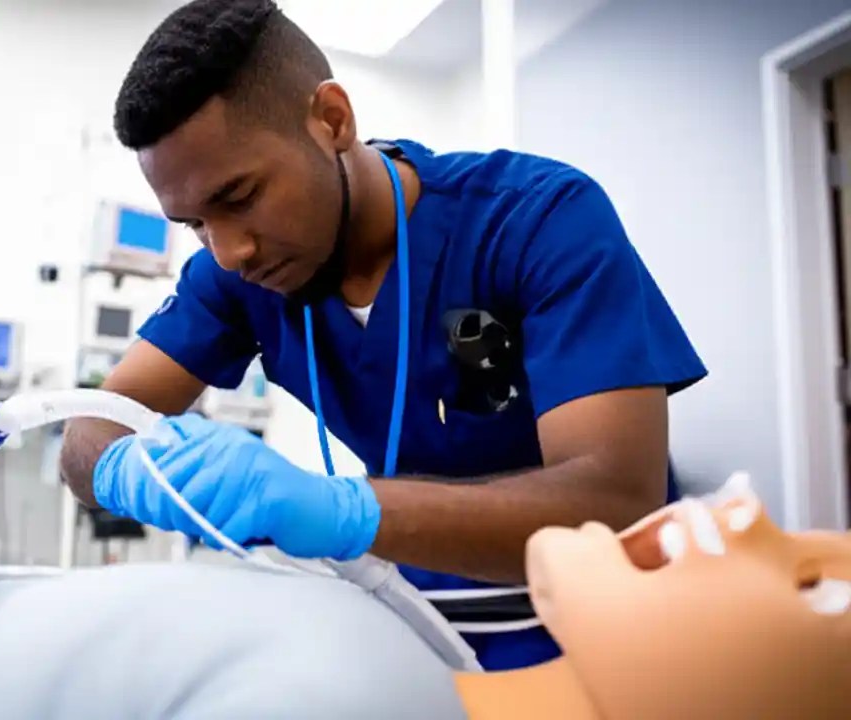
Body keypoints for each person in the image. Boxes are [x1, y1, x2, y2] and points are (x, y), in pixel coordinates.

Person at [59, 0, 706, 671]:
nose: (229, 251)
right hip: (420, 604)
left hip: (608, 612)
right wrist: (130, 468)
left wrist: (340, 511)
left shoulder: (537, 220)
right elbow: (87, 434)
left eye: (241, 196)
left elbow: (619, 503)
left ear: (332, 120)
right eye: (194, 223)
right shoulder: (239, 279)